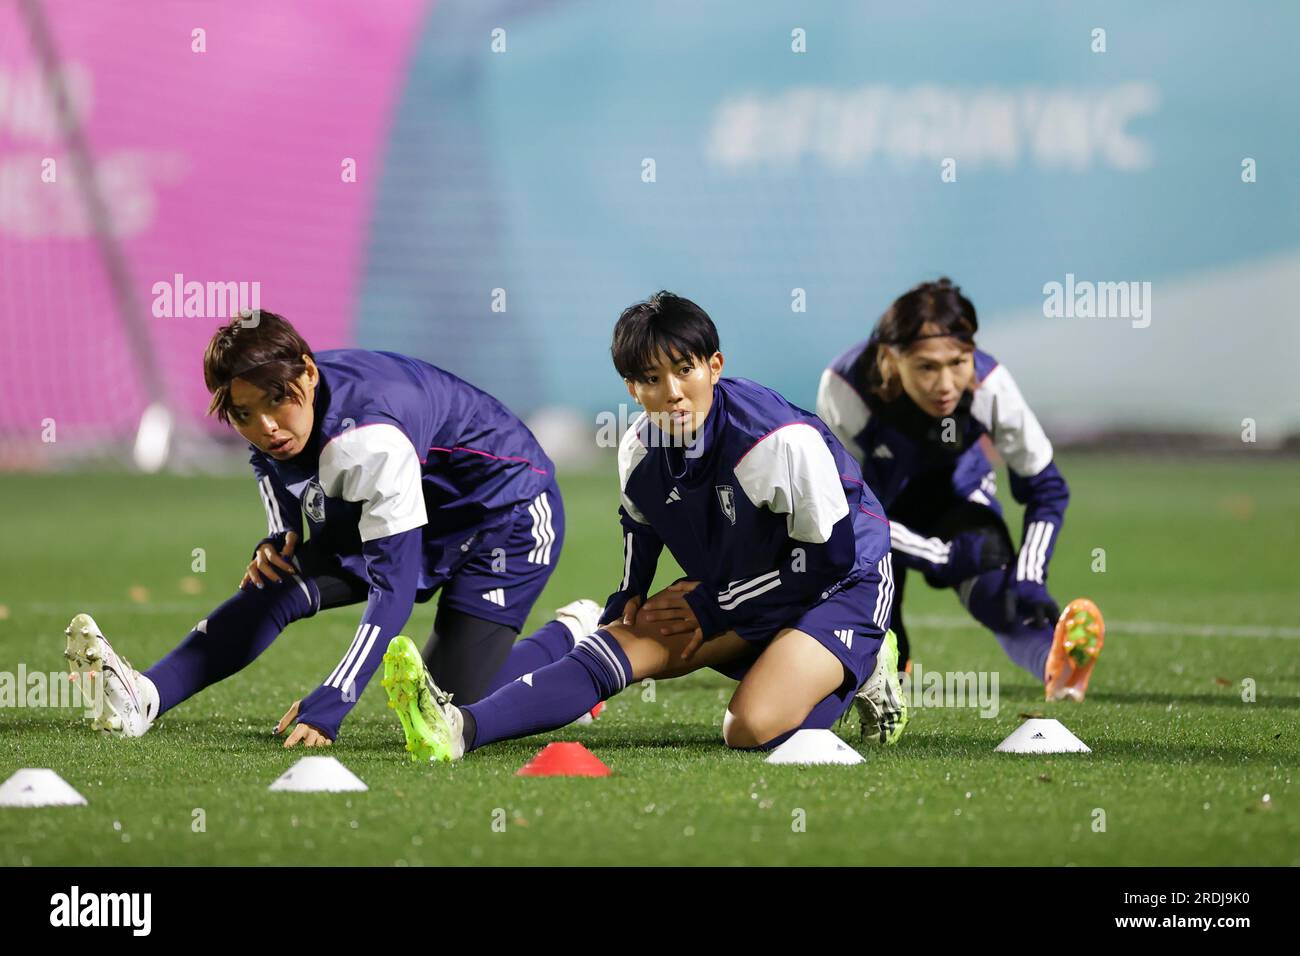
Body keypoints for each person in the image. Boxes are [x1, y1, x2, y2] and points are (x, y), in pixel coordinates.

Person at [378, 290, 908, 763]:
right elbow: (640, 526)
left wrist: (713, 605)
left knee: (752, 726)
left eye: (685, 370)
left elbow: (829, 560)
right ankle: (459, 730)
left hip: (843, 584)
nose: (672, 391)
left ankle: (864, 668)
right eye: (651, 379)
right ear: (632, 388)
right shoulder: (638, 447)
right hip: (744, 580)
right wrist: (628, 594)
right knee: (616, 644)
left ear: (714, 366)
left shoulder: (775, 442)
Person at [63, 310, 600, 746]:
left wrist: (334, 699)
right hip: (415, 494)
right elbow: (267, 462)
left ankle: (573, 639)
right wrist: (281, 533)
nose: (266, 426)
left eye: (277, 402)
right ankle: (145, 696)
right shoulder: (283, 410)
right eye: (244, 414)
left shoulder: (367, 441)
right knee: (278, 579)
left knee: (447, 702)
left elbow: (393, 589)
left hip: (504, 512)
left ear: (308, 372)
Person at [815, 278, 1104, 701]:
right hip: (874, 513)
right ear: (892, 360)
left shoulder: (991, 386)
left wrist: (1029, 576)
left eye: (959, 361)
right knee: (872, 634)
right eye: (927, 367)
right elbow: (849, 511)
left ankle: (1054, 665)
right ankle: (876, 668)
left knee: (998, 595)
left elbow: (1047, 489)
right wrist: (943, 556)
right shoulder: (846, 389)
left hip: (958, 497)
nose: (947, 383)